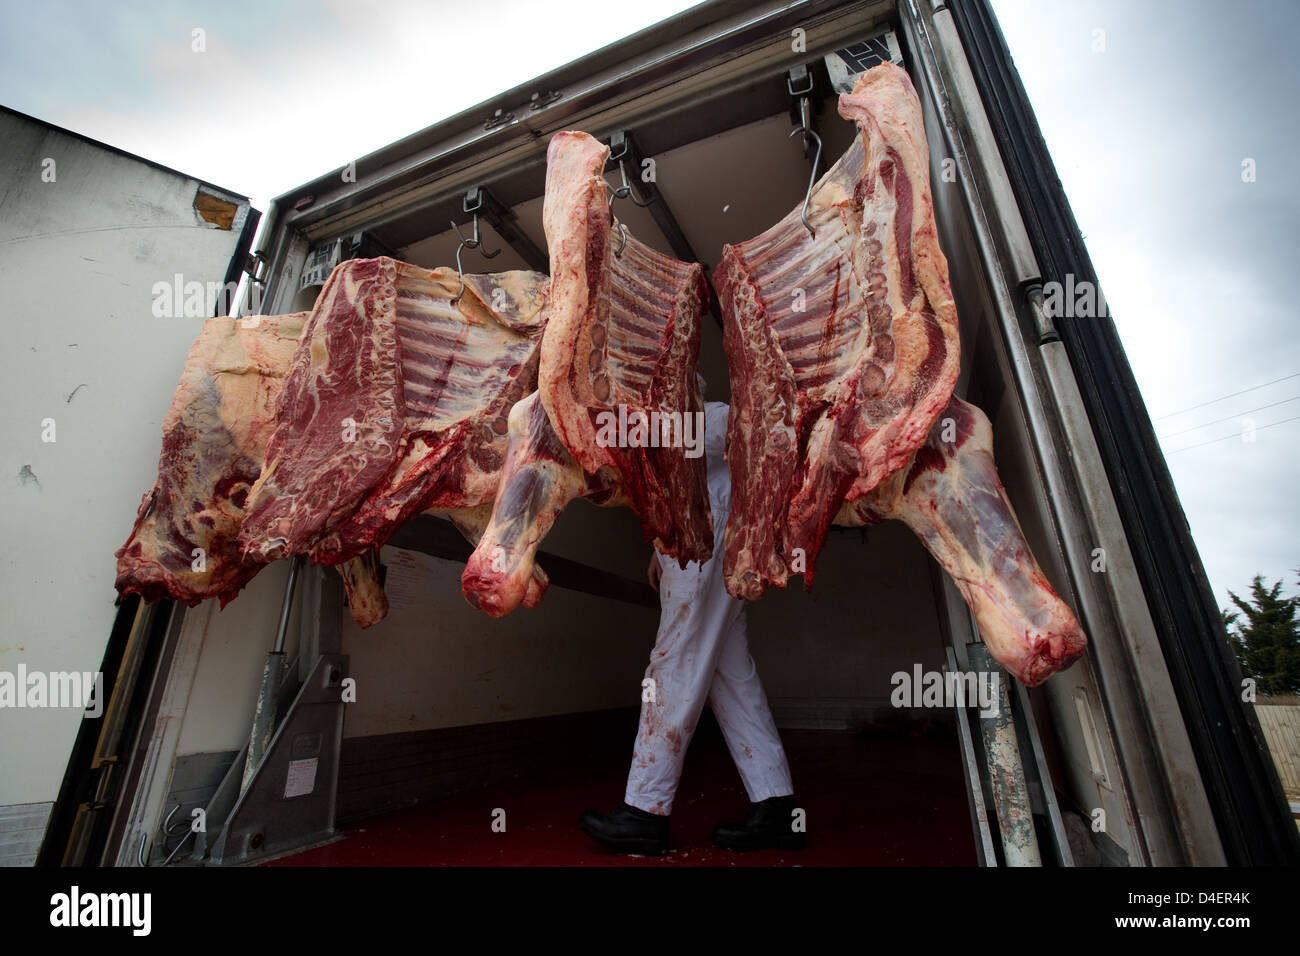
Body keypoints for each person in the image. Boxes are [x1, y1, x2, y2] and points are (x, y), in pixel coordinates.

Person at [579, 399, 805, 855]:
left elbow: (738, 427)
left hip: (706, 530)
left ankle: (644, 812)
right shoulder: (653, 417)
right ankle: (777, 807)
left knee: (674, 663)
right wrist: (661, 544)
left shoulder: (704, 412)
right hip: (691, 533)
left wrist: (645, 425)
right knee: (731, 678)